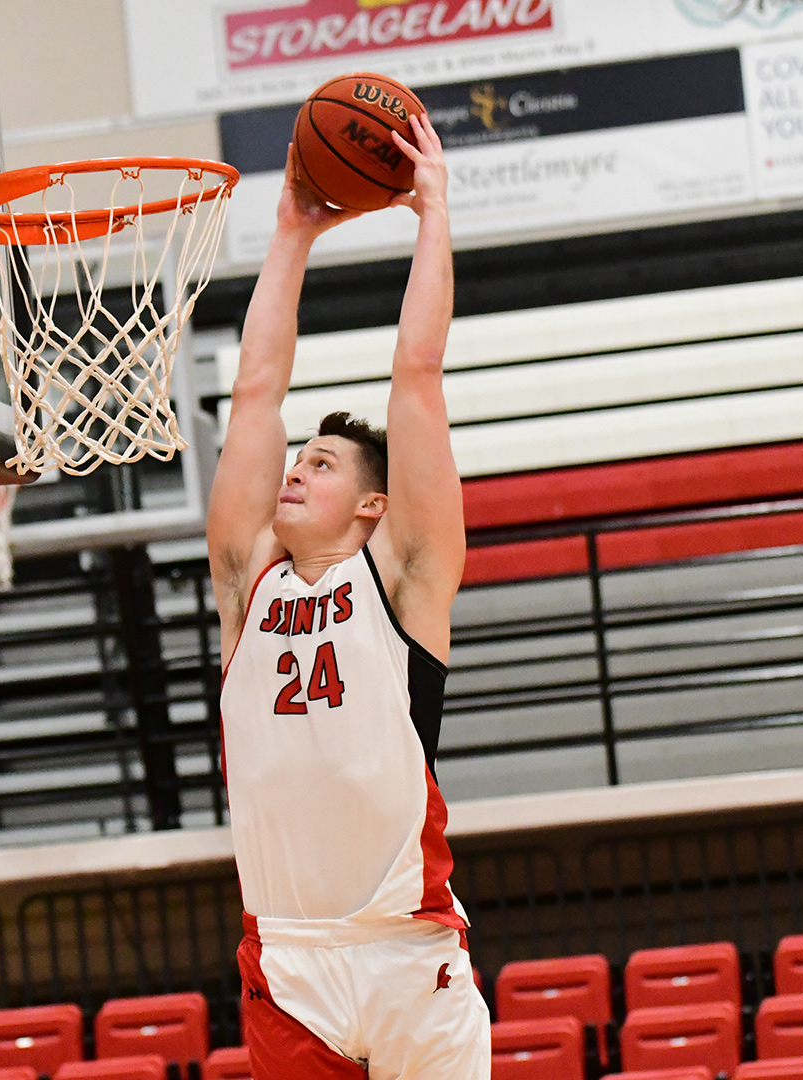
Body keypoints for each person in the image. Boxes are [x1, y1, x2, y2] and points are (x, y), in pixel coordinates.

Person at [207, 111, 488, 1080]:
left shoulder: (403, 580)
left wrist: (432, 211)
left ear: (372, 503)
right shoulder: (249, 581)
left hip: (408, 950)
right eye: (298, 459)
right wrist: (289, 234)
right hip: (287, 958)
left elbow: (418, 375)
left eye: (320, 464)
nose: (294, 471)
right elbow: (255, 393)